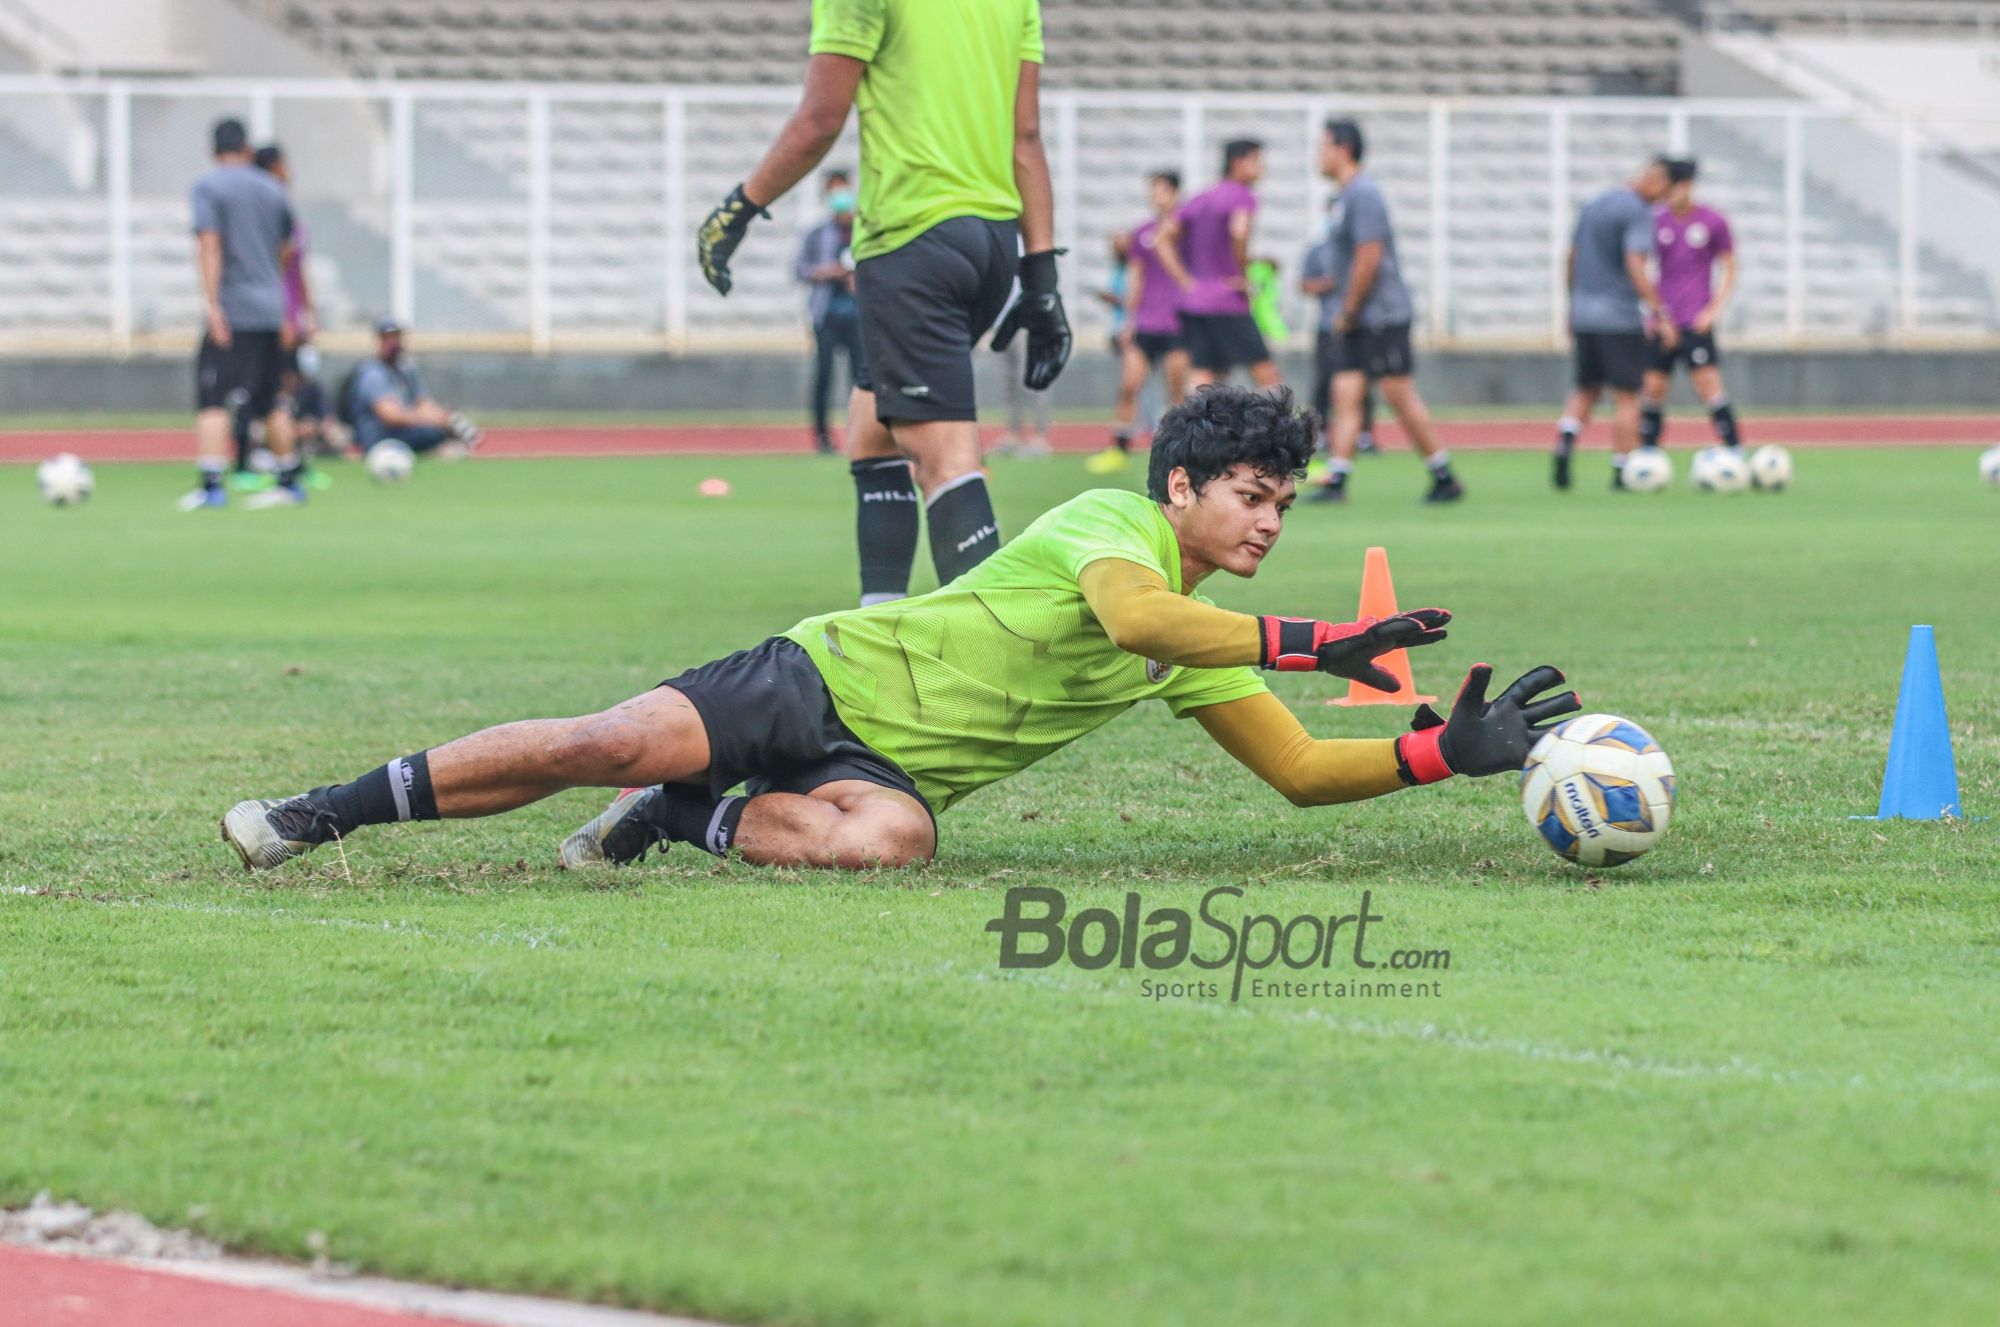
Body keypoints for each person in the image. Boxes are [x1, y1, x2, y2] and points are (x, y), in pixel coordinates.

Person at [219, 385, 1580, 876]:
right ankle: (315, 813)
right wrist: (1312, 640)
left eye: (1285, 502)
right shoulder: (1118, 528)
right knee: (598, 736)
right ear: (1182, 486)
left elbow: (1291, 769)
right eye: (1251, 495)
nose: (1271, 519)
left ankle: (682, 814)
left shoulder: (1208, 630)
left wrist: (1437, 758)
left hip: (884, 771)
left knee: (893, 843)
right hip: (823, 678)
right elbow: (1133, 612)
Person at [696, 0, 1071, 608]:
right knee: (872, 432)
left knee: (946, 456)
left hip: (911, 240)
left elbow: (821, 119)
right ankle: (881, 623)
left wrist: (737, 208)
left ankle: (996, 652)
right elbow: (1024, 137)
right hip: (994, 241)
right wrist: (1042, 275)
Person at [1305, 121, 1463, 505]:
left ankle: (1444, 475)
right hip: (1357, 316)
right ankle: (1337, 480)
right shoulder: (1345, 197)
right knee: (1346, 393)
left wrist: (1350, 308)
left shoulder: (1364, 194)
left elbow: (1369, 254)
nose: (1317, 155)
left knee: (1397, 393)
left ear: (1343, 150)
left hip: (1380, 315)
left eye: (1323, 146)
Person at [182, 118, 309, 511]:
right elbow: (289, 247)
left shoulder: (209, 187)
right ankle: (288, 479)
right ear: (247, 147)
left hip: (234, 309)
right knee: (270, 399)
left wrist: (212, 302)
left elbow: (210, 242)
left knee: (214, 398)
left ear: (213, 150)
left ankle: (211, 485)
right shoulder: (273, 189)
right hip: (270, 308)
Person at [1554, 157, 1676, 491]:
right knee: (1626, 396)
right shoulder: (1637, 211)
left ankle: (1565, 442)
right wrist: (1659, 312)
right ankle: (1623, 470)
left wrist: (1572, 304)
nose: (1662, 200)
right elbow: (1635, 262)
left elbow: (1571, 257)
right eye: (1664, 191)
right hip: (1618, 317)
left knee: (1586, 388)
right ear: (1655, 180)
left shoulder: (1594, 205)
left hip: (1584, 313)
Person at [1087, 170, 1189, 477]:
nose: (1155, 197)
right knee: (1129, 384)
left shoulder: (1186, 230)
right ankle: (1119, 447)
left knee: (1177, 392)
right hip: (1146, 322)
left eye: (1160, 191)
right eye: (1152, 191)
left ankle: (1178, 451)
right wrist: (1128, 319)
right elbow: (1136, 276)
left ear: (1174, 193)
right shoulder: (1142, 233)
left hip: (1178, 323)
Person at [1640, 158, 1743, 452]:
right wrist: (1655, 315)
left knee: (1709, 387)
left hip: (1695, 320)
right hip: (1662, 321)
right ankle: (1648, 453)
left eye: (1676, 187)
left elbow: (1730, 267)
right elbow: (1643, 267)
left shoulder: (1713, 221)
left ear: (1687, 186)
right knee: (1653, 389)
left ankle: (1734, 450)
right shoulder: (1657, 221)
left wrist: (1713, 310)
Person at [1162, 141, 1279, 391]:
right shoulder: (1242, 195)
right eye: (1257, 161)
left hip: (1195, 301)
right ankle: (1282, 429)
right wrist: (1242, 273)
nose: (1262, 168)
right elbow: (1239, 232)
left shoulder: (1201, 198)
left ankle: (1193, 428)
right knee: (1266, 372)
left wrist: (1185, 280)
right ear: (1238, 162)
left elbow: (1162, 239)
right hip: (1227, 299)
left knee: (1204, 373)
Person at [1299, 204, 1377, 464]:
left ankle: (1364, 434)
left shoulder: (1358, 249)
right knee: (1326, 381)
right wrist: (1323, 286)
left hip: (1357, 323)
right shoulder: (1318, 251)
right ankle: (1320, 434)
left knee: (1361, 384)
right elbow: (1303, 283)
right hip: (1328, 325)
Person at [794, 169, 862, 455]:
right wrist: (827, 273)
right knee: (824, 376)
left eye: (843, 190)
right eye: (834, 191)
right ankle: (822, 437)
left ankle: (859, 436)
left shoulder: (865, 230)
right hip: (826, 315)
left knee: (860, 381)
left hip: (860, 315)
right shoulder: (817, 234)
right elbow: (798, 269)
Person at [346, 318, 482, 459]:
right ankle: (439, 450)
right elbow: (390, 416)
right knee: (431, 432)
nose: (393, 343)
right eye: (388, 338)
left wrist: (445, 418)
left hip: (403, 430)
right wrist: (431, 420)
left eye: (396, 337)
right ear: (379, 341)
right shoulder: (373, 373)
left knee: (444, 425)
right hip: (379, 436)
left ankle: (445, 447)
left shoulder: (405, 370)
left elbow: (423, 402)